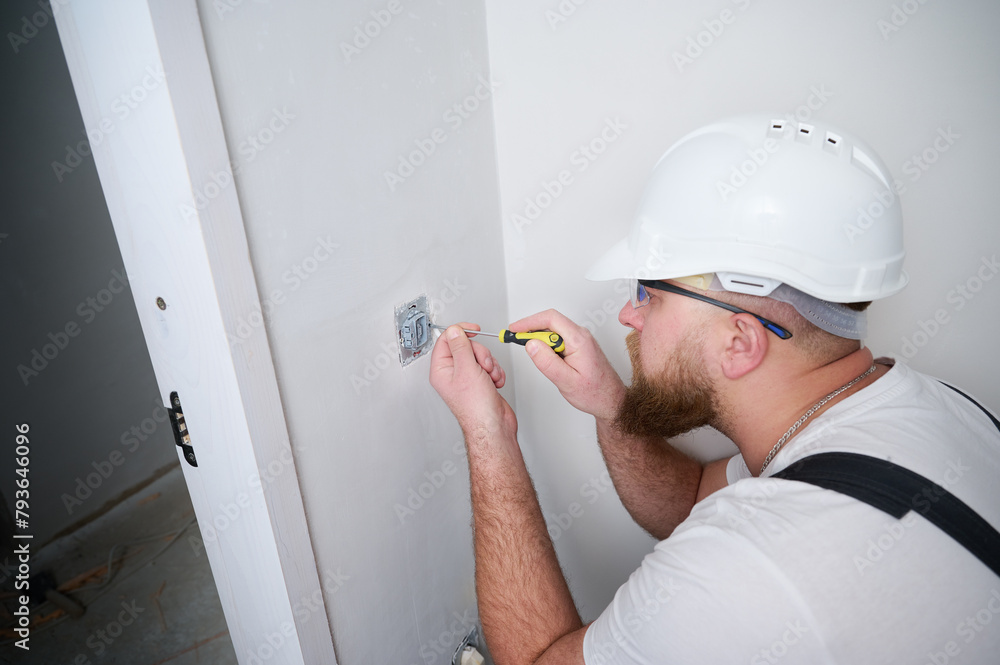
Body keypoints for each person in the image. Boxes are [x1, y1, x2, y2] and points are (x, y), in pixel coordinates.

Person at [429, 115, 1000, 664]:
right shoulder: (938, 409)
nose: (628, 315)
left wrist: (490, 434)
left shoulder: (748, 566)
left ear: (739, 342)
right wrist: (610, 404)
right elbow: (691, 497)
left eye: (648, 292)